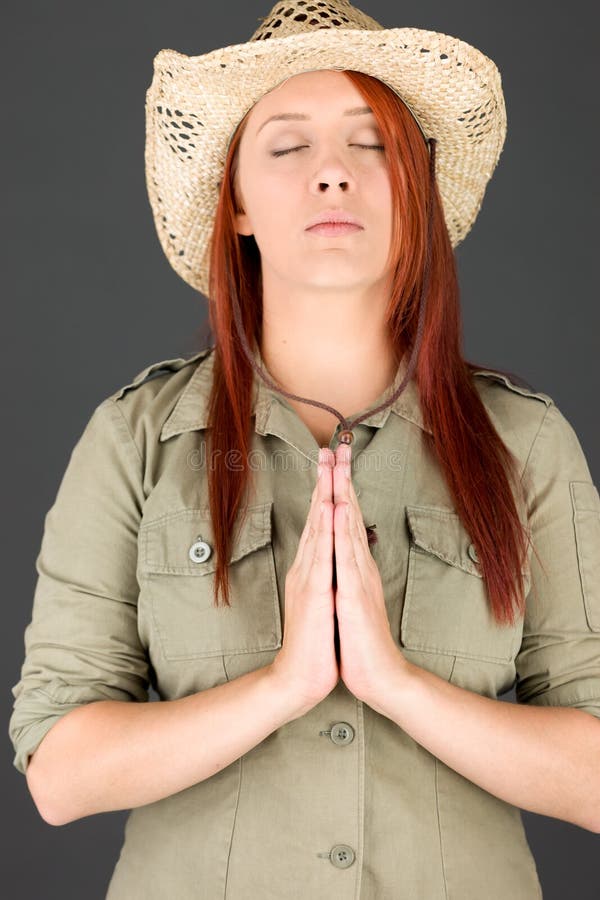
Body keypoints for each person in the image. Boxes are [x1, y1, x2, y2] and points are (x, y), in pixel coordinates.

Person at [8, 2, 600, 898]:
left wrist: (396, 684)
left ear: (417, 192)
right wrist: (283, 685)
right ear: (237, 204)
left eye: (371, 145)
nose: (332, 172)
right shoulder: (136, 440)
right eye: (287, 146)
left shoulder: (525, 443)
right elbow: (59, 771)